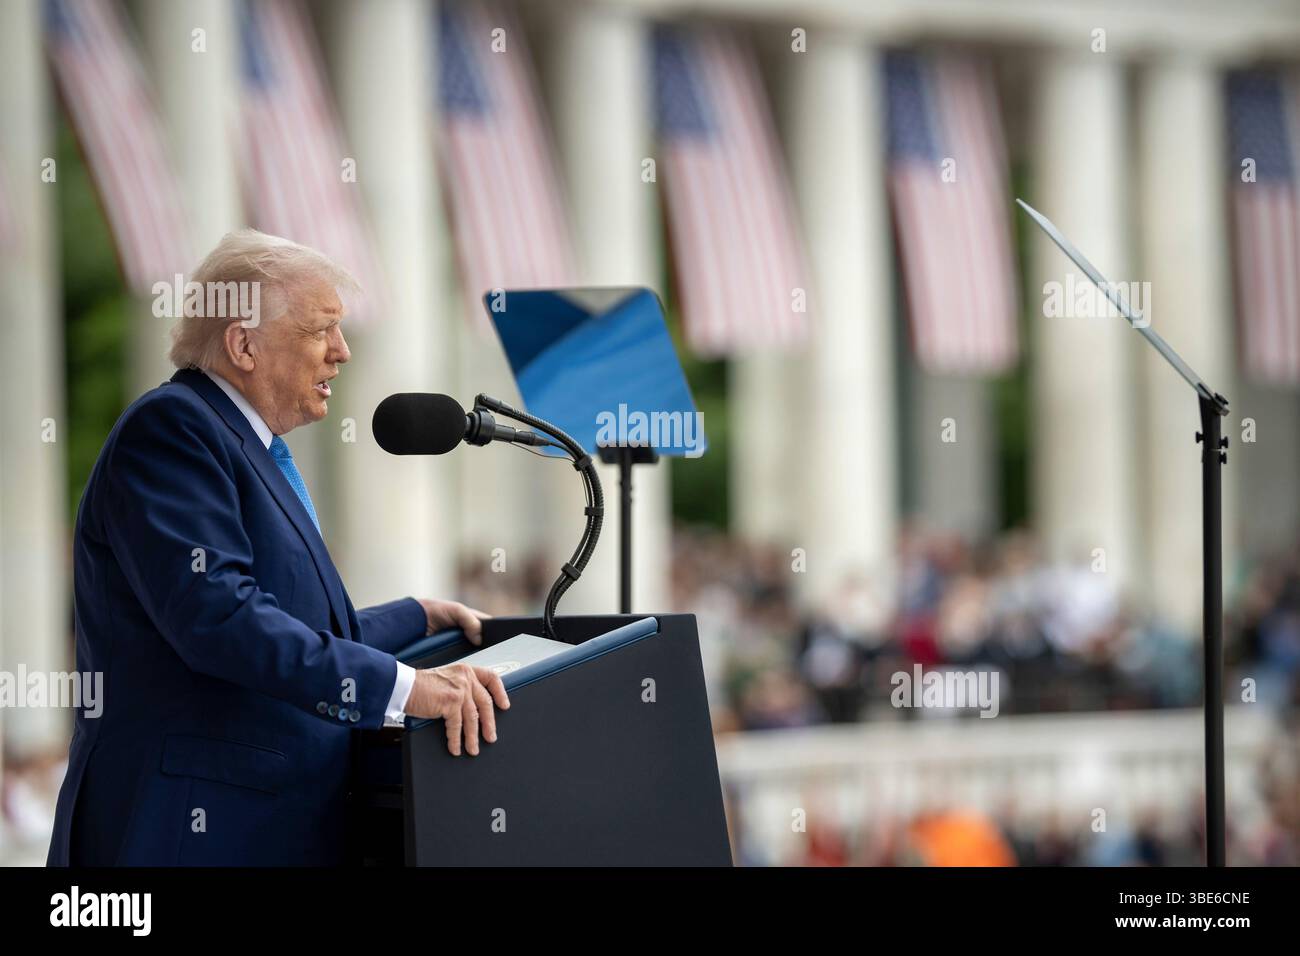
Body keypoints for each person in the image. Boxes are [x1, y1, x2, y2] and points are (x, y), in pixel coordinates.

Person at [47, 230, 507, 865]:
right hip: (189, 836)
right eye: (322, 330)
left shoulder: (241, 444)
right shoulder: (174, 429)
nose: (341, 354)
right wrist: (406, 689)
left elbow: (290, 629)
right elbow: (219, 620)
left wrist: (415, 617)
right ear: (244, 344)